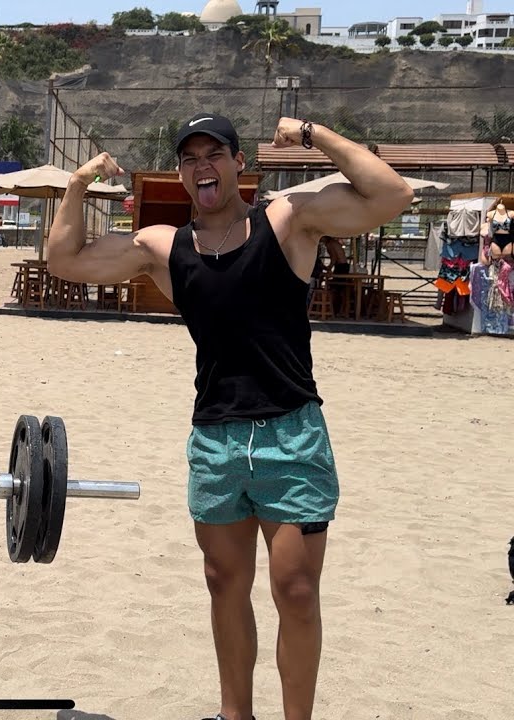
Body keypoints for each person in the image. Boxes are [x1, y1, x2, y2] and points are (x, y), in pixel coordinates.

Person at [46, 115, 413, 720]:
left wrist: (315, 134)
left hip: (290, 435)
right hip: (215, 441)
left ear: (238, 162)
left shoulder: (286, 220)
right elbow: (65, 260)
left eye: (213, 153)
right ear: (182, 175)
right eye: (189, 158)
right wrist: (80, 184)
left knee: (294, 591)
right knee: (224, 585)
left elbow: (391, 194)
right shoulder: (164, 248)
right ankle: (234, 714)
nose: (201, 166)